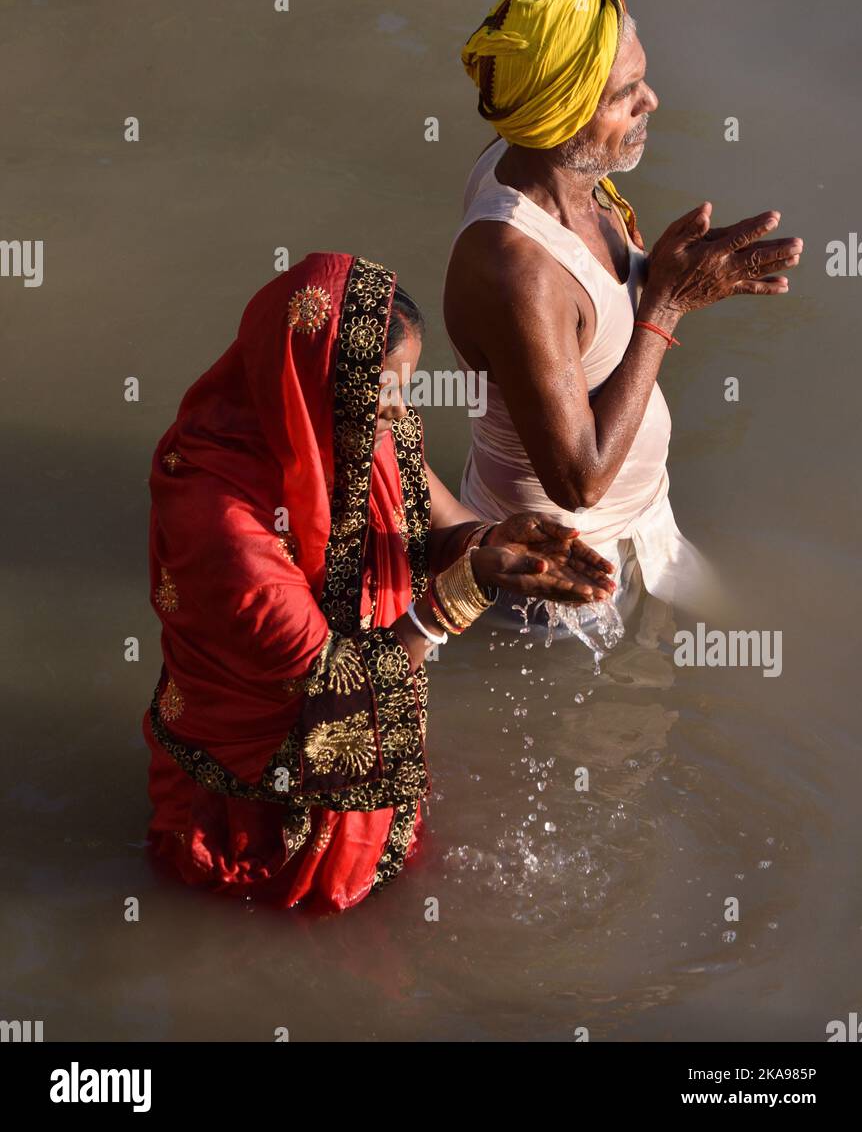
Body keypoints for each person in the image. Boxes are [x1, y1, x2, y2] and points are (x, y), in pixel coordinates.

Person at [142, 251, 615, 912]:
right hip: (272, 764)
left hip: (373, 704)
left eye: (406, 387)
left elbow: (429, 522)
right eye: (381, 394)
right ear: (308, 387)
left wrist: (494, 542)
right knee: (285, 918)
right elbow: (332, 684)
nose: (397, 412)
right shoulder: (216, 517)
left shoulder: (361, 418)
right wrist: (460, 594)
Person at [445, 0, 803, 634]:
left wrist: (675, 278)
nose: (652, 101)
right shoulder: (517, 269)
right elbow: (577, 482)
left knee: (752, 630)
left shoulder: (550, 166)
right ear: (561, 117)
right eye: (624, 95)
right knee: (617, 732)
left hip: (644, 520)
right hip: (566, 572)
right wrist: (665, 307)